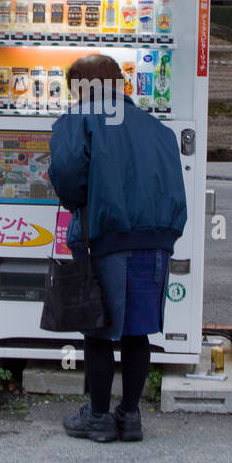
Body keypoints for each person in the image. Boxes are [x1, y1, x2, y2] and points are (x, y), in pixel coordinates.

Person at [48, 54, 187, 442]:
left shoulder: (78, 121)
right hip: (155, 243)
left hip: (104, 240)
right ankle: (129, 416)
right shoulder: (158, 128)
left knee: (98, 332)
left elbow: (66, 176)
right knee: (137, 332)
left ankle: (97, 417)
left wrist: (83, 202)